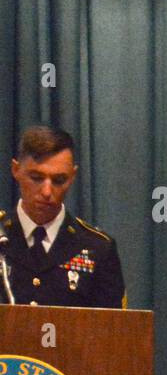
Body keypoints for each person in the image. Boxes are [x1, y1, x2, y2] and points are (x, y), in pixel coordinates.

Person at [1, 125, 126, 309]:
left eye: (59, 180)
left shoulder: (97, 248)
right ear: (15, 170)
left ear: (73, 176)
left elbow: (114, 331)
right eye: (36, 178)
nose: (46, 191)